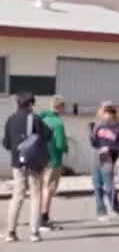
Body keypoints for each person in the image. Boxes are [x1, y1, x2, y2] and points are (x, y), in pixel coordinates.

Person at [3, 92, 52, 242]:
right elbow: (48, 135)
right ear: (31, 104)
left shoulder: (11, 119)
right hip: (34, 163)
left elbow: (6, 143)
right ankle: (34, 233)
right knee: (35, 195)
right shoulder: (35, 119)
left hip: (17, 163)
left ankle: (11, 232)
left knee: (17, 196)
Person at [88, 102, 119, 221]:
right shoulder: (98, 126)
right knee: (97, 184)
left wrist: (110, 150)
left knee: (109, 186)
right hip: (97, 156)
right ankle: (101, 211)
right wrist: (91, 133)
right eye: (105, 112)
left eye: (109, 112)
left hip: (108, 157)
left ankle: (113, 206)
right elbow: (94, 143)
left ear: (113, 114)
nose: (107, 115)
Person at [38, 95, 68, 232]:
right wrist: (66, 148)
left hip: (39, 159)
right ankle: (44, 219)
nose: (64, 109)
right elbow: (60, 144)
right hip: (53, 160)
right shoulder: (58, 123)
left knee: (40, 188)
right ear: (59, 107)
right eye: (63, 107)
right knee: (48, 189)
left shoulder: (41, 119)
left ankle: (37, 216)